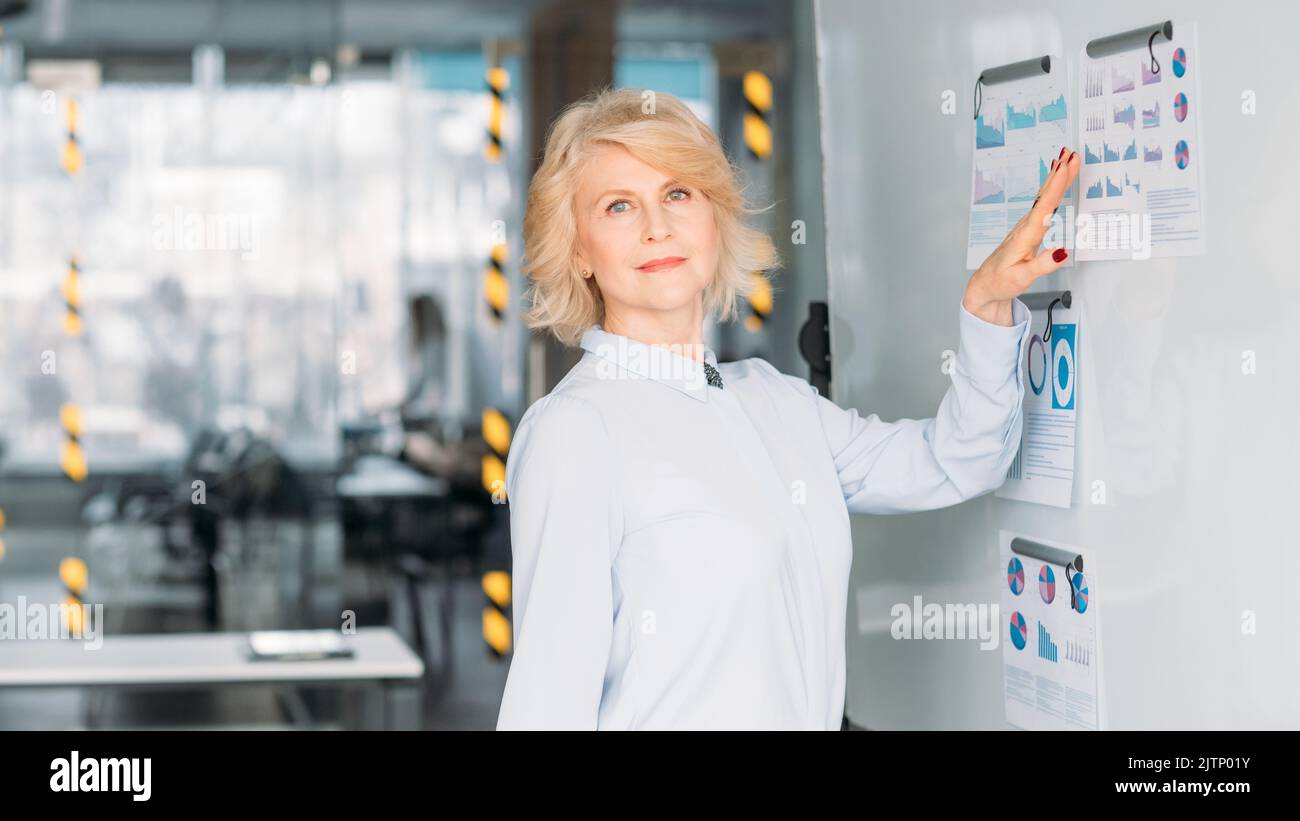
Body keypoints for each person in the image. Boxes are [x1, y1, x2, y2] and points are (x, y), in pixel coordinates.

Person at [496, 86, 1079, 730]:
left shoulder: (773, 399)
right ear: (578, 250)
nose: (656, 226)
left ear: (715, 215)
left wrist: (989, 307)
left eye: (678, 193)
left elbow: (955, 462)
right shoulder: (575, 432)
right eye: (618, 206)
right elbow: (546, 707)